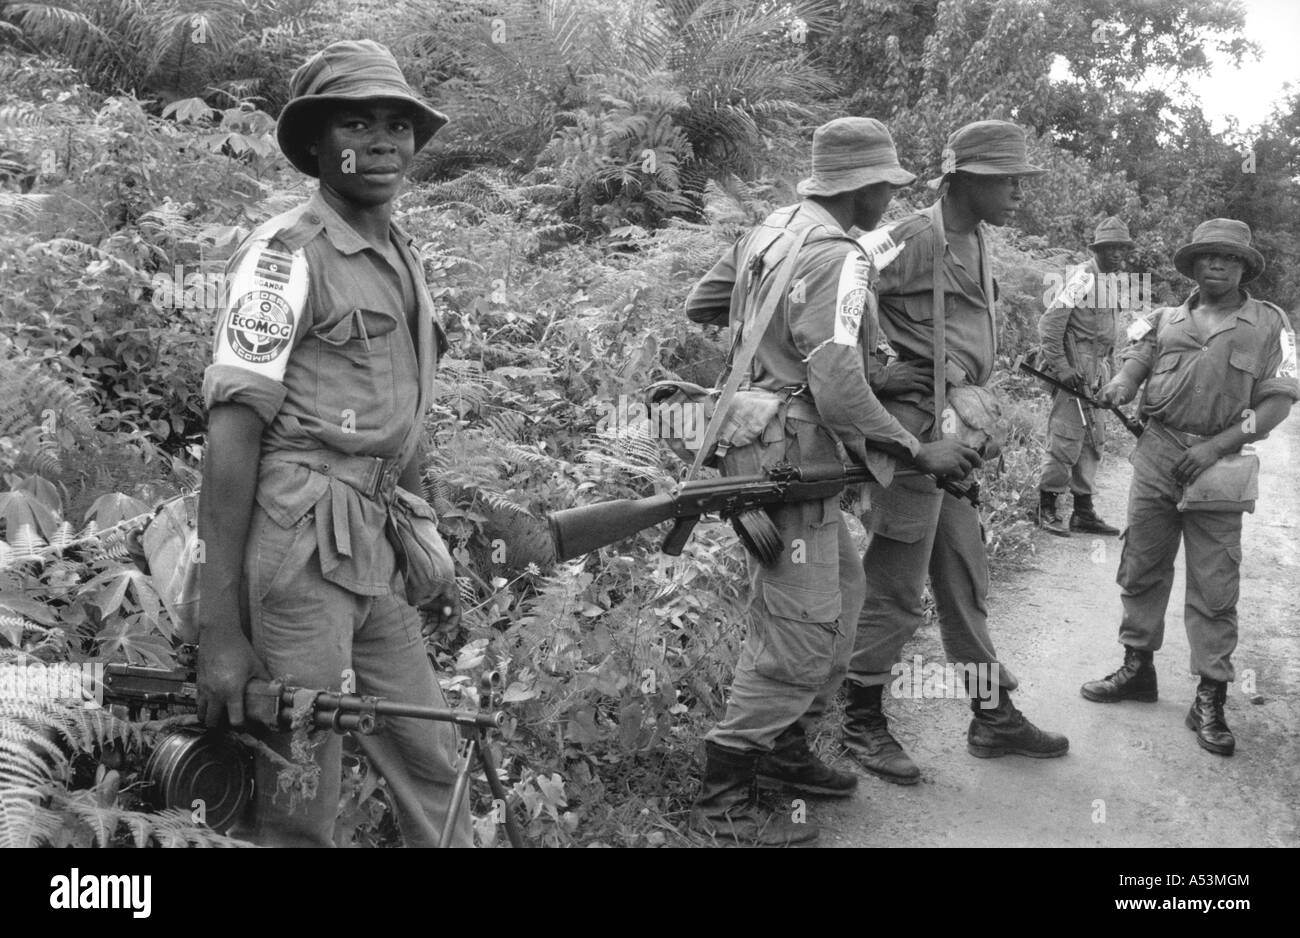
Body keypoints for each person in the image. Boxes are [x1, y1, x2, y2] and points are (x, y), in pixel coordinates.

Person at [195, 40, 472, 846]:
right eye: (356, 121)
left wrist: (429, 535)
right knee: (302, 790)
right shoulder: (284, 259)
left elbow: (402, 415)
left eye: (397, 123)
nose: (382, 140)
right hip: (298, 551)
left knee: (432, 752)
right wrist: (221, 629)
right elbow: (233, 431)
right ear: (317, 143)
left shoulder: (398, 252)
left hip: (376, 538)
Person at [682, 118, 979, 845]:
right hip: (792, 457)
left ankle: (786, 751)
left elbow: (703, 305)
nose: (892, 199)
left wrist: (775, 341)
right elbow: (841, 391)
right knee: (803, 631)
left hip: (768, 448)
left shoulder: (773, 228)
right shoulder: (842, 256)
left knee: (842, 605)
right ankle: (725, 798)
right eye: (888, 186)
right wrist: (918, 451)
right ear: (867, 187)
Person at [840, 120, 1070, 785]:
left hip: (957, 434)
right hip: (914, 438)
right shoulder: (909, 236)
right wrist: (874, 371)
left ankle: (991, 713)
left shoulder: (981, 240)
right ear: (963, 179)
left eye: (1021, 180)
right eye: (1007, 179)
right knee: (895, 585)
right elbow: (834, 285)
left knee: (964, 577)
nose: (1019, 193)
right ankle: (861, 716)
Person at [1081, 219, 1297, 757]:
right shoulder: (1164, 318)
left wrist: (1216, 446)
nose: (1216, 265)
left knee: (1215, 582)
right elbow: (1135, 363)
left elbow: (1276, 403)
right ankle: (1137, 669)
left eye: (1228, 258)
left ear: (1245, 266)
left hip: (1217, 465)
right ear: (1193, 265)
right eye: (1206, 257)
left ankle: (1210, 696)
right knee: (1141, 565)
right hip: (1156, 453)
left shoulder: (1270, 324)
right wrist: (1121, 385)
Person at [1034, 216, 1134, 536]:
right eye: (1111, 248)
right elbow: (1050, 325)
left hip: (1098, 372)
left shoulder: (1108, 280)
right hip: (1076, 368)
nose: (1118, 254)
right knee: (1066, 438)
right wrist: (1063, 369)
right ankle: (1046, 506)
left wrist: (1114, 378)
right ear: (1097, 250)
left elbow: (1107, 341)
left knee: (1093, 439)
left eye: (1122, 248)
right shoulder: (1083, 277)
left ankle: (1083, 511)